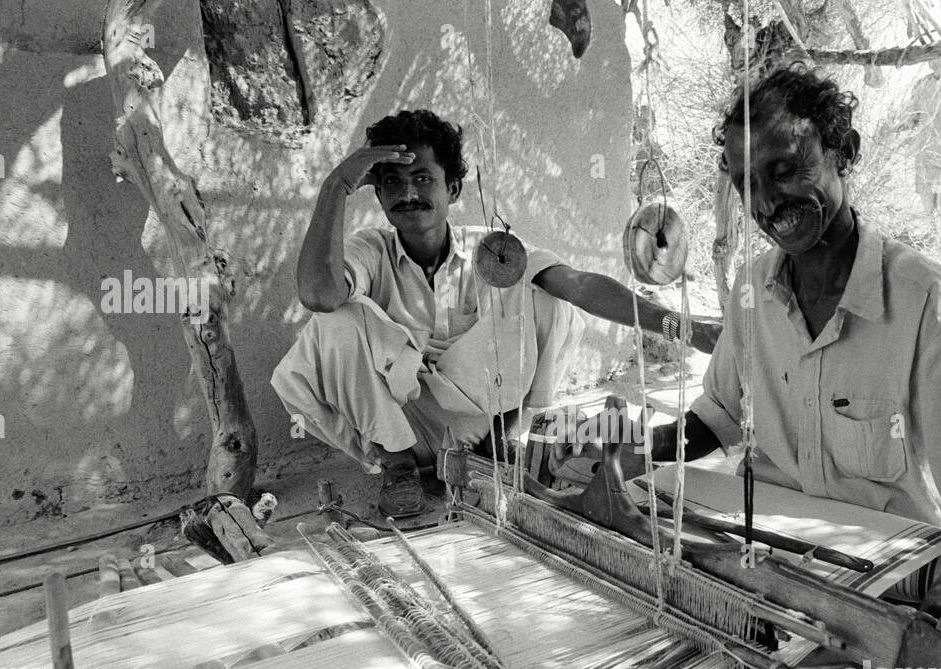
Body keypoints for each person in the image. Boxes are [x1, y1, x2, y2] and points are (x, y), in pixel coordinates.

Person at [627, 65, 941, 619]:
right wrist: (630, 446)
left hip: (885, 585)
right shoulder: (752, 290)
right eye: (747, 184)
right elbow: (718, 417)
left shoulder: (928, 302)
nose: (766, 203)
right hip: (763, 567)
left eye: (785, 171)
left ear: (843, 151)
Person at [273, 108, 717, 517]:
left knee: (546, 297)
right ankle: (399, 467)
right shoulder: (371, 250)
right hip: (400, 425)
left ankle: (501, 440)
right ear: (379, 194)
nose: (407, 193)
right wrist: (336, 185)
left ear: (452, 189)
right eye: (392, 182)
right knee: (335, 318)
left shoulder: (491, 251)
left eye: (423, 178)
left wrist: (681, 327)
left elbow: (580, 286)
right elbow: (318, 295)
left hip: (474, 430)